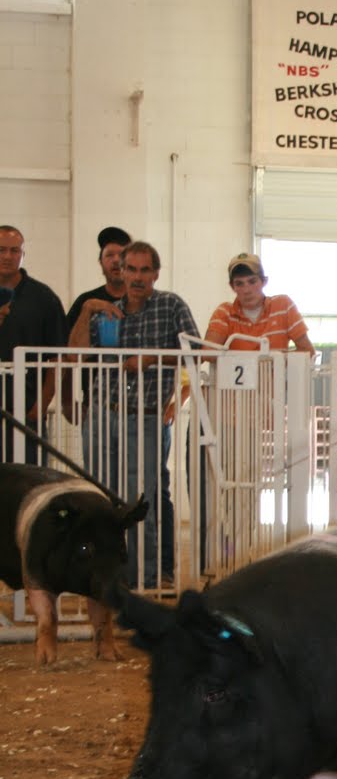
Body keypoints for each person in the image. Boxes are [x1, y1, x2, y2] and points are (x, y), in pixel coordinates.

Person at [68, 239, 198, 588]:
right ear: (119, 271)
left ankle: (145, 580)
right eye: (131, 269)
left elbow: (196, 355)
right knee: (99, 497)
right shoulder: (104, 311)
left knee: (142, 499)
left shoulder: (171, 305)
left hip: (146, 415)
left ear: (156, 273)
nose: (138, 278)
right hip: (101, 414)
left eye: (145, 270)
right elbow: (74, 355)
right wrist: (85, 312)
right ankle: (105, 577)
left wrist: (152, 358)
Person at [62, 225, 130, 472]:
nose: (115, 261)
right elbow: (68, 354)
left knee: (142, 481)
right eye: (109, 255)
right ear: (100, 263)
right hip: (97, 405)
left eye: (121, 255)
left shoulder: (149, 302)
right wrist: (68, 400)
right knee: (98, 475)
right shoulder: (85, 301)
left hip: (140, 408)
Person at [0, 223, 67, 464]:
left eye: (14, 250)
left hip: (26, 414)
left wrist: (40, 407)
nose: (8, 256)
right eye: (1, 250)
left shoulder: (44, 298)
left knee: (29, 485)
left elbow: (57, 357)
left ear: (22, 254)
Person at [204, 254, 315, 353]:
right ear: (232, 287)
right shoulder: (224, 312)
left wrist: (272, 361)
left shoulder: (283, 306)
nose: (246, 290)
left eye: (252, 281)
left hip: (277, 377)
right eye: (239, 284)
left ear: (264, 281)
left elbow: (307, 351)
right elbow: (208, 353)